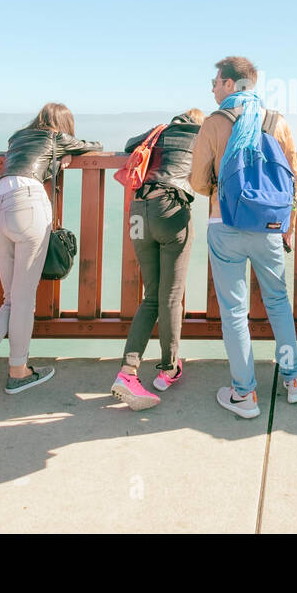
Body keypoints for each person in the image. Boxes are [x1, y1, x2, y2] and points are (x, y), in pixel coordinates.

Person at [0, 103, 101, 411]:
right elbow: (94, 146)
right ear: (62, 125)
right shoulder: (56, 137)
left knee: (10, 301)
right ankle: (17, 372)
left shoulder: (18, 137)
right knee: (22, 300)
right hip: (29, 207)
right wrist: (68, 154)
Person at [189, 56, 297, 419]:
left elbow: (196, 181)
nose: (211, 87)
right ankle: (294, 379)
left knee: (235, 312)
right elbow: (293, 179)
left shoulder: (215, 123)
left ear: (231, 85)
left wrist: (220, 193)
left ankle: (245, 394)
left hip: (226, 227)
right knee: (278, 303)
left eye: (216, 81)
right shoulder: (276, 122)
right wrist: (288, 226)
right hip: (270, 226)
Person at [109, 108, 206, 411]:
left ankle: (128, 371)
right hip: (170, 208)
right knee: (171, 296)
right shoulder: (202, 135)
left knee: (152, 296)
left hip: (138, 213)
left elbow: (129, 145)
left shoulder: (159, 131)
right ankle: (169, 368)